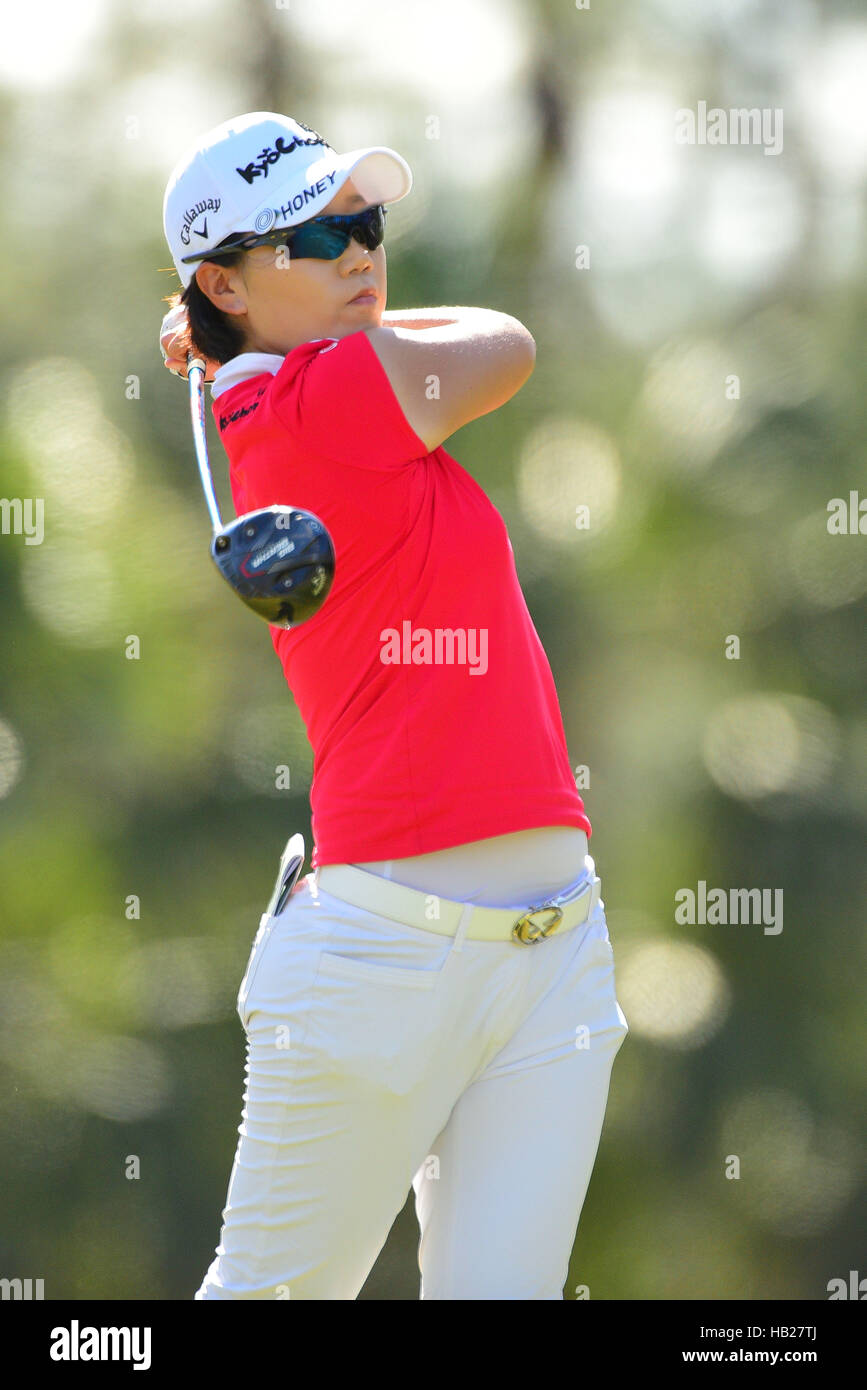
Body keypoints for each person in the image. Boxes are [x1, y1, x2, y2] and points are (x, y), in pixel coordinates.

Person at [160, 110, 628, 1300]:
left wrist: (233, 337)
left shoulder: (318, 387)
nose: (361, 252)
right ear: (223, 281)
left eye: (365, 223)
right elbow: (509, 342)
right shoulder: (316, 402)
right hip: (381, 959)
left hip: (555, 945)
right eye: (316, 236)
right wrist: (244, 346)